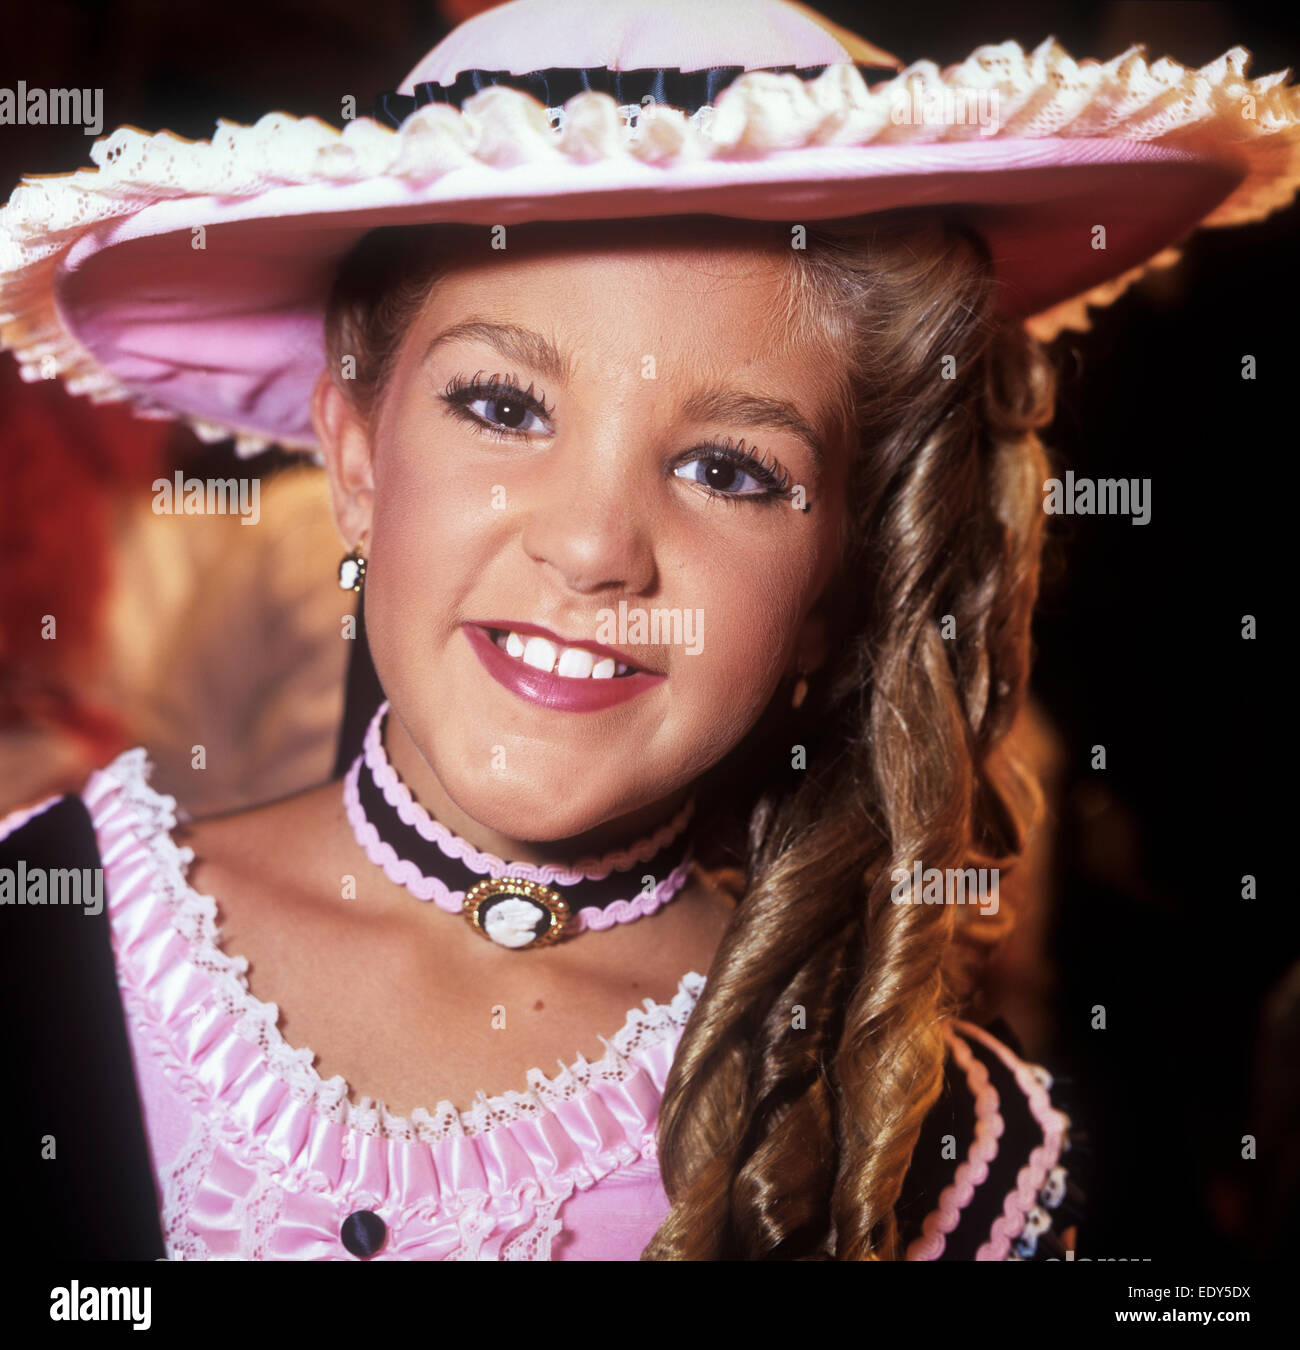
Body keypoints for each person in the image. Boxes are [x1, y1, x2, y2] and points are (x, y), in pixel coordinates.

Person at [2, 0, 1296, 1261]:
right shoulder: (53, 928)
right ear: (354, 458)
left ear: (838, 577)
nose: (594, 547)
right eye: (504, 406)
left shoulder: (952, 1159)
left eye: (730, 469)